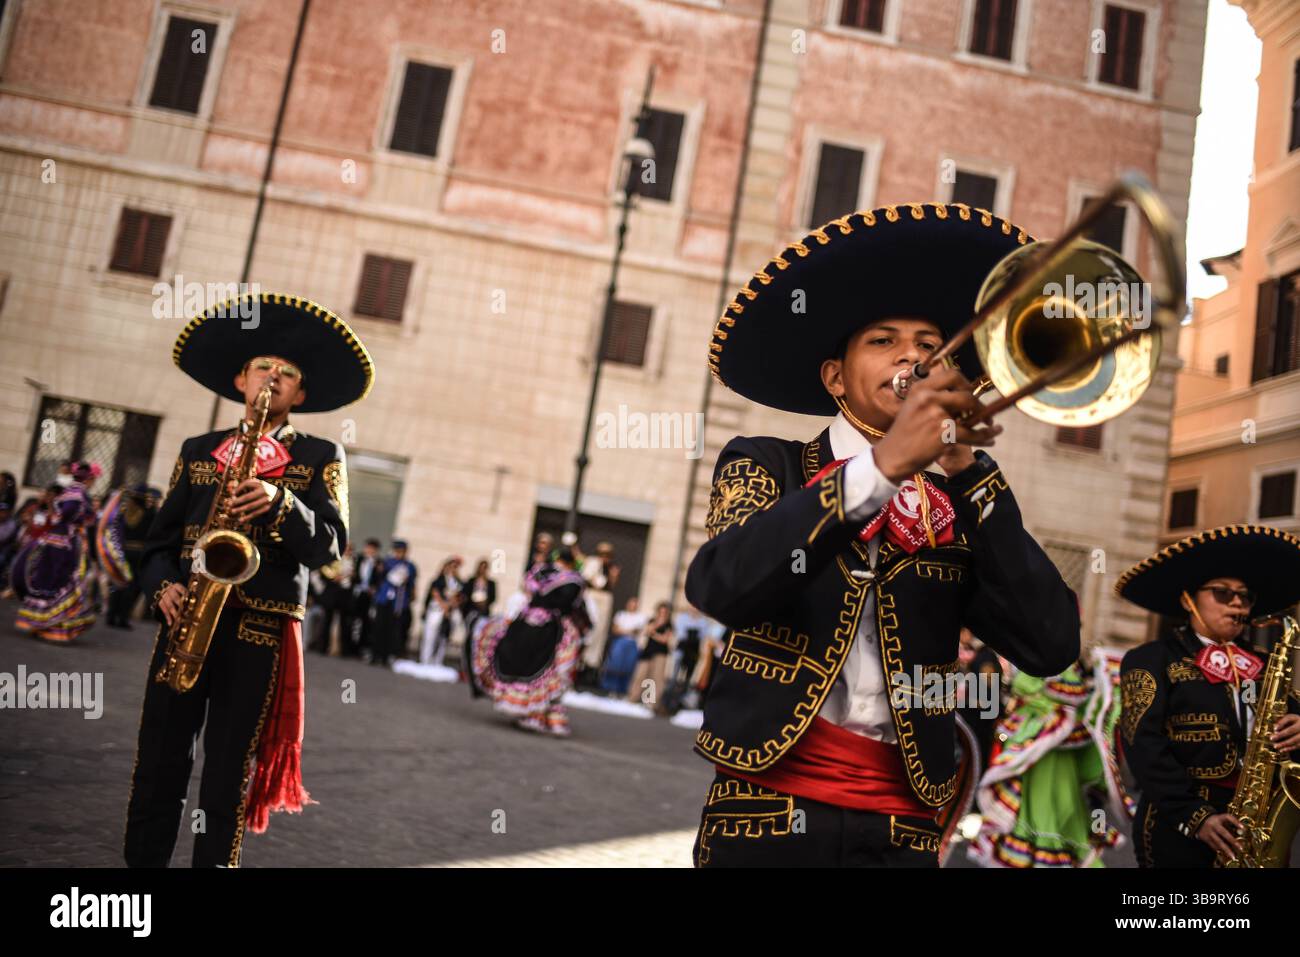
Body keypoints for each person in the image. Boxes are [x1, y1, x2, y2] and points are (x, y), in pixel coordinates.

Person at [685, 201, 1080, 867]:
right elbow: (723, 583)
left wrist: (969, 472)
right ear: (835, 376)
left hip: (905, 823)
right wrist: (883, 467)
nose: (915, 359)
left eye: (931, 345)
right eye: (884, 341)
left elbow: (1051, 642)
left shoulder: (959, 499)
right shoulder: (766, 462)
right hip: (767, 811)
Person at [124, 292, 371, 867]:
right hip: (186, 619)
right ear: (240, 379)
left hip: (259, 629)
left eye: (288, 374)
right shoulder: (198, 450)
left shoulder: (321, 455)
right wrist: (164, 588)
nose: (274, 378)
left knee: (228, 770)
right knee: (159, 760)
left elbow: (330, 546)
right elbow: (157, 545)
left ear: (301, 395)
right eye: (264, 366)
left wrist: (282, 504)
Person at [1114, 524, 1300, 868]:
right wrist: (1196, 816)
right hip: (1179, 829)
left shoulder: (1264, 665)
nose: (1237, 603)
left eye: (1245, 596)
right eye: (1221, 592)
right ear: (1188, 599)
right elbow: (1144, 746)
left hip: (1257, 828)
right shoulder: (1151, 659)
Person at [969, 651, 1132, 867]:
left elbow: (1066, 693)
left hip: (1050, 749)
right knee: (1041, 816)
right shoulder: (1044, 658)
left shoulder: (1057, 663)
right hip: (1039, 746)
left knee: (1054, 815)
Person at [468, 547, 591, 736]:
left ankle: (529, 711)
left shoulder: (540, 572)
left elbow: (530, 592)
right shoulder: (573, 581)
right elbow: (571, 606)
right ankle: (538, 714)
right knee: (551, 670)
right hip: (551, 628)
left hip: (525, 623)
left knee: (520, 662)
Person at [10, 460, 102, 642]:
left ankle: (40, 624)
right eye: (94, 479)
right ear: (89, 478)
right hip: (65, 545)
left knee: (47, 580)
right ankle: (51, 627)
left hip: (55, 541)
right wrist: (83, 520)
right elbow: (69, 514)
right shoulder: (79, 494)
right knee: (59, 581)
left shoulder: (68, 491)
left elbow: (59, 513)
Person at [102, 484, 161, 628]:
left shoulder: (123, 512)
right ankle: (122, 617)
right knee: (132, 587)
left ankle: (111, 615)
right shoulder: (149, 514)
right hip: (138, 554)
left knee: (118, 584)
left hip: (121, 552)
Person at [372, 540, 417, 666]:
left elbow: (411, 584)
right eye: (397, 551)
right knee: (379, 626)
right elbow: (379, 577)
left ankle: (386, 656)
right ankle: (376, 654)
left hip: (398, 602)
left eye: (401, 551)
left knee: (391, 629)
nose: (399, 553)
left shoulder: (409, 566)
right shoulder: (387, 562)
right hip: (384, 598)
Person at [627, 601, 675, 711]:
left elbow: (665, 639)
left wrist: (653, 633)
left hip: (661, 653)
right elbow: (646, 630)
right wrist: (655, 628)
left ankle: (652, 703)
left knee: (656, 678)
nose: (662, 614)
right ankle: (633, 698)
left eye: (665, 612)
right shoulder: (652, 620)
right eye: (660, 612)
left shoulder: (669, 625)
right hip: (648, 651)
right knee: (640, 675)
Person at [420, 555, 465, 666]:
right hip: (436, 610)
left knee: (444, 637)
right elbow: (435, 593)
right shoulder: (439, 580)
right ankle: (426, 660)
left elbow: (459, 597)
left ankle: (437, 661)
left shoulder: (457, 583)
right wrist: (444, 606)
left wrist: (450, 606)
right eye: (451, 566)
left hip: (449, 612)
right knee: (430, 636)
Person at [347, 537, 383, 659]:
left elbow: (380, 580)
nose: (370, 550)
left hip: (368, 595)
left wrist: (374, 588)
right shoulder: (358, 559)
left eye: (373, 549)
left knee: (365, 622)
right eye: (368, 548)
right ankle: (349, 647)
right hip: (357, 592)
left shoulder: (379, 563)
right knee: (352, 620)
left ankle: (360, 648)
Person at [462, 558, 497, 643]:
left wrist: (484, 603)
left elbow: (493, 597)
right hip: (472, 610)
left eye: (485, 568)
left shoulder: (491, 583)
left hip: (484, 611)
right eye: (481, 567)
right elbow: (465, 594)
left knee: (479, 634)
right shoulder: (472, 580)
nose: (483, 570)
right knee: (470, 633)